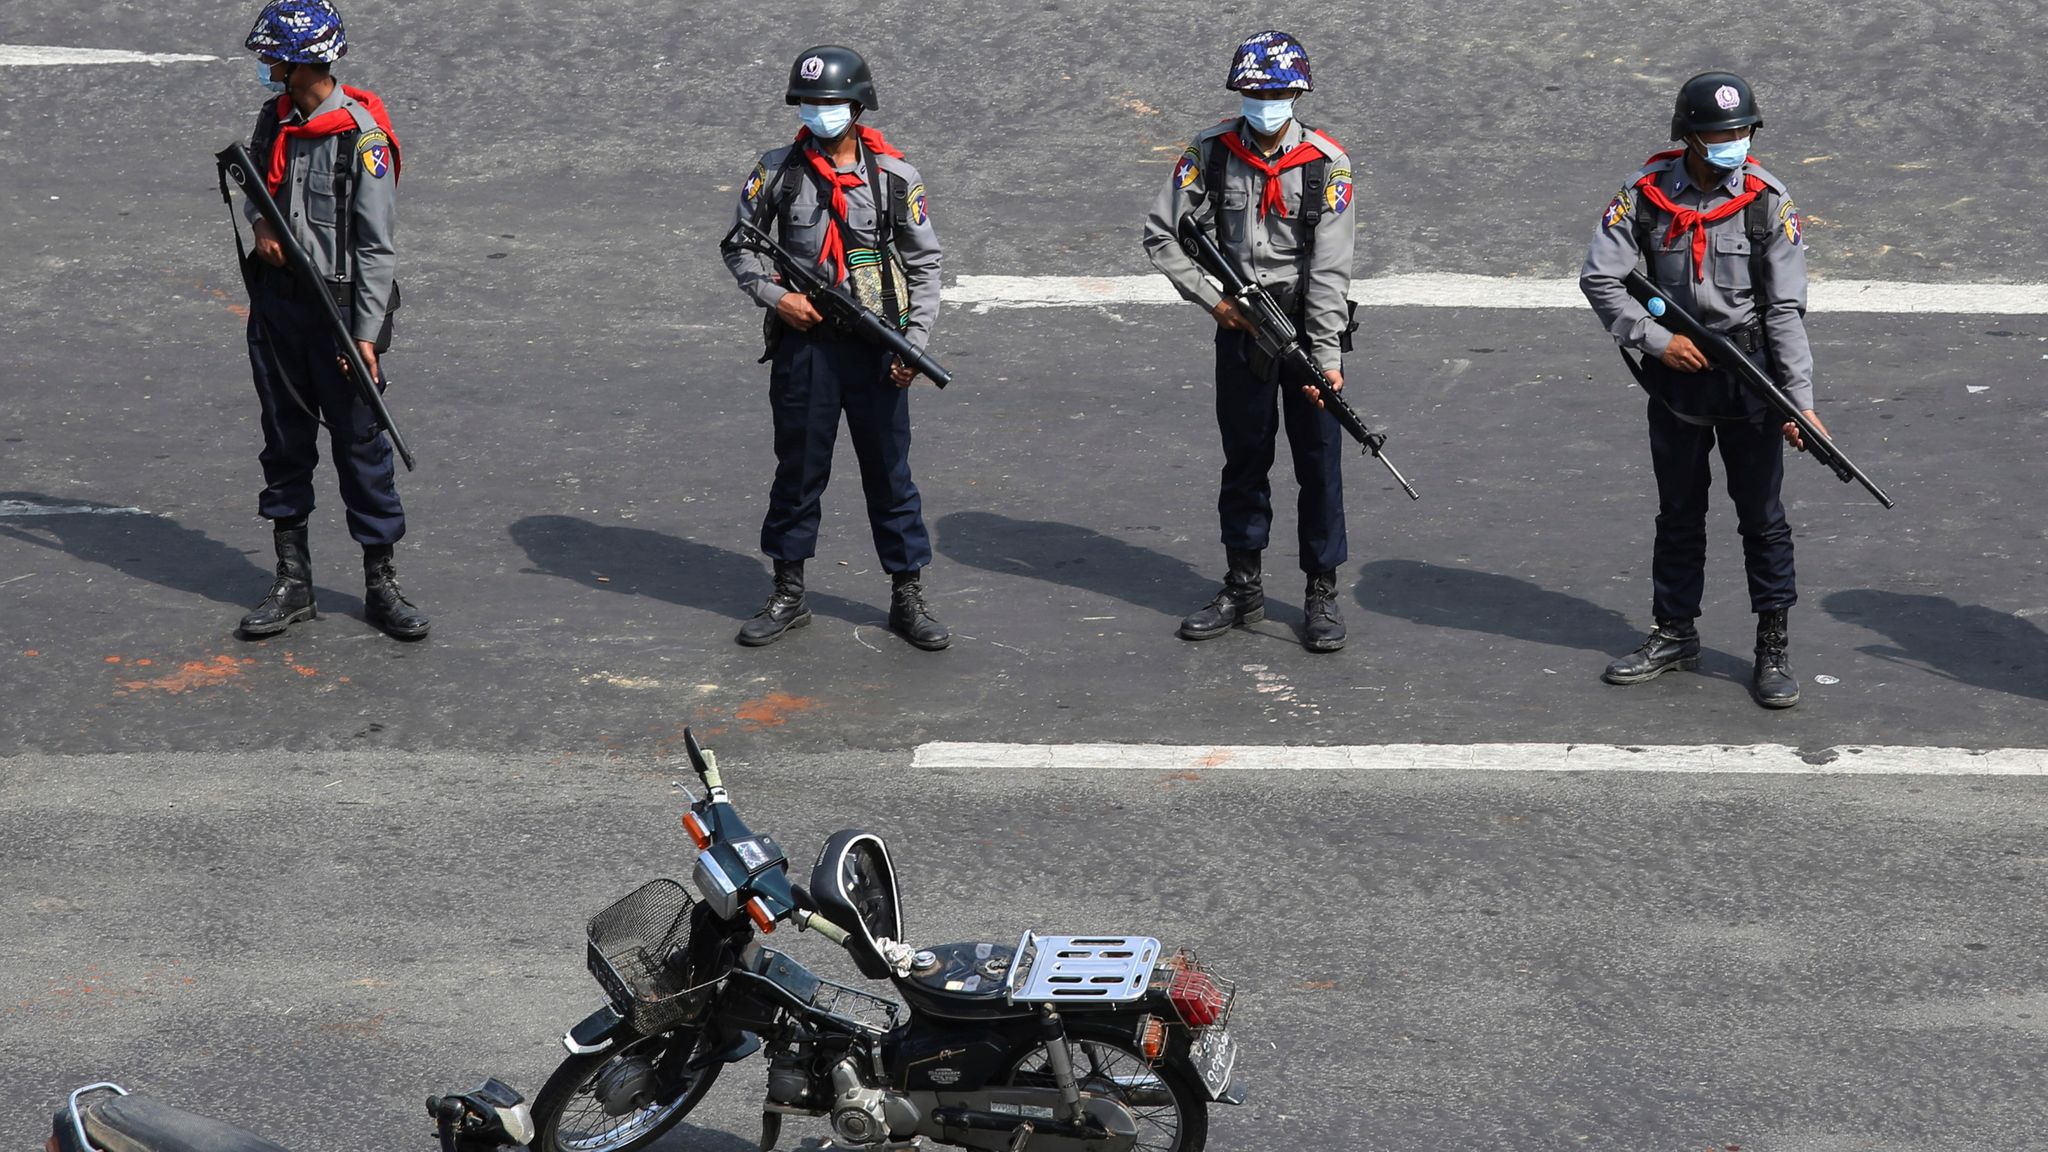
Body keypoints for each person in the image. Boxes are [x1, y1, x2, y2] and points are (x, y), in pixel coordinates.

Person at [1580, 71, 1820, 708]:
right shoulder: (1645, 194)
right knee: (1679, 511)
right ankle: (1674, 632)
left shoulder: (1768, 202)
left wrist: (1799, 401)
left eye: (1742, 132)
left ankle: (1772, 645)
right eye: (1718, 134)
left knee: (1761, 518)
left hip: (1749, 374)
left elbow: (1784, 310)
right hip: (1677, 378)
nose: (1733, 143)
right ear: (1688, 137)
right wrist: (1656, 341)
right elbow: (1601, 278)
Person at [720, 46, 949, 650]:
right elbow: (739, 245)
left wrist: (912, 344)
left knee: (891, 476)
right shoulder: (777, 171)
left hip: (877, 348)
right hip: (806, 347)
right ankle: (788, 591)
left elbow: (925, 265)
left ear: (857, 105)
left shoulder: (894, 178)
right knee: (798, 471)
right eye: (808, 103)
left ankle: (906, 594)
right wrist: (777, 298)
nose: (818, 113)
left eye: (829, 102)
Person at [1142, 31, 1358, 653]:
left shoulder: (1326, 164)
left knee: (1318, 464)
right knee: (1244, 458)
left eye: (1277, 94)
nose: (1266, 104)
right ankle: (1243, 586)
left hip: (1304, 326)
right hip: (1241, 327)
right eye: (1255, 93)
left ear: (1297, 95)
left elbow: (1330, 271)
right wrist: (1213, 301)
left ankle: (1321, 591)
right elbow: (1161, 233)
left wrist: (1327, 359)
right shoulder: (1211, 153)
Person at [234, 0, 426, 640]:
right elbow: (258, 185)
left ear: (304, 64)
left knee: (360, 447)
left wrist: (366, 335)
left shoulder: (361, 139)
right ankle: (292, 583)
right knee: (284, 441)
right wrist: (262, 224)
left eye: (274, 58)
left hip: (340, 312)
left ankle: (381, 583)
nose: (266, 66)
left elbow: (375, 247)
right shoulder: (276, 119)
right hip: (278, 308)